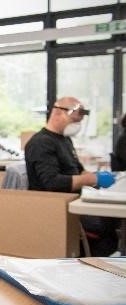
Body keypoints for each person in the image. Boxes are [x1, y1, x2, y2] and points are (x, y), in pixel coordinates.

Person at [25, 96, 117, 256]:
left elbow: (78, 170)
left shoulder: (65, 140)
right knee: (105, 227)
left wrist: (96, 176)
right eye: (74, 120)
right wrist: (91, 179)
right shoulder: (41, 143)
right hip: (55, 210)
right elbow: (52, 183)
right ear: (57, 113)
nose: (77, 125)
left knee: (112, 219)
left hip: (75, 202)